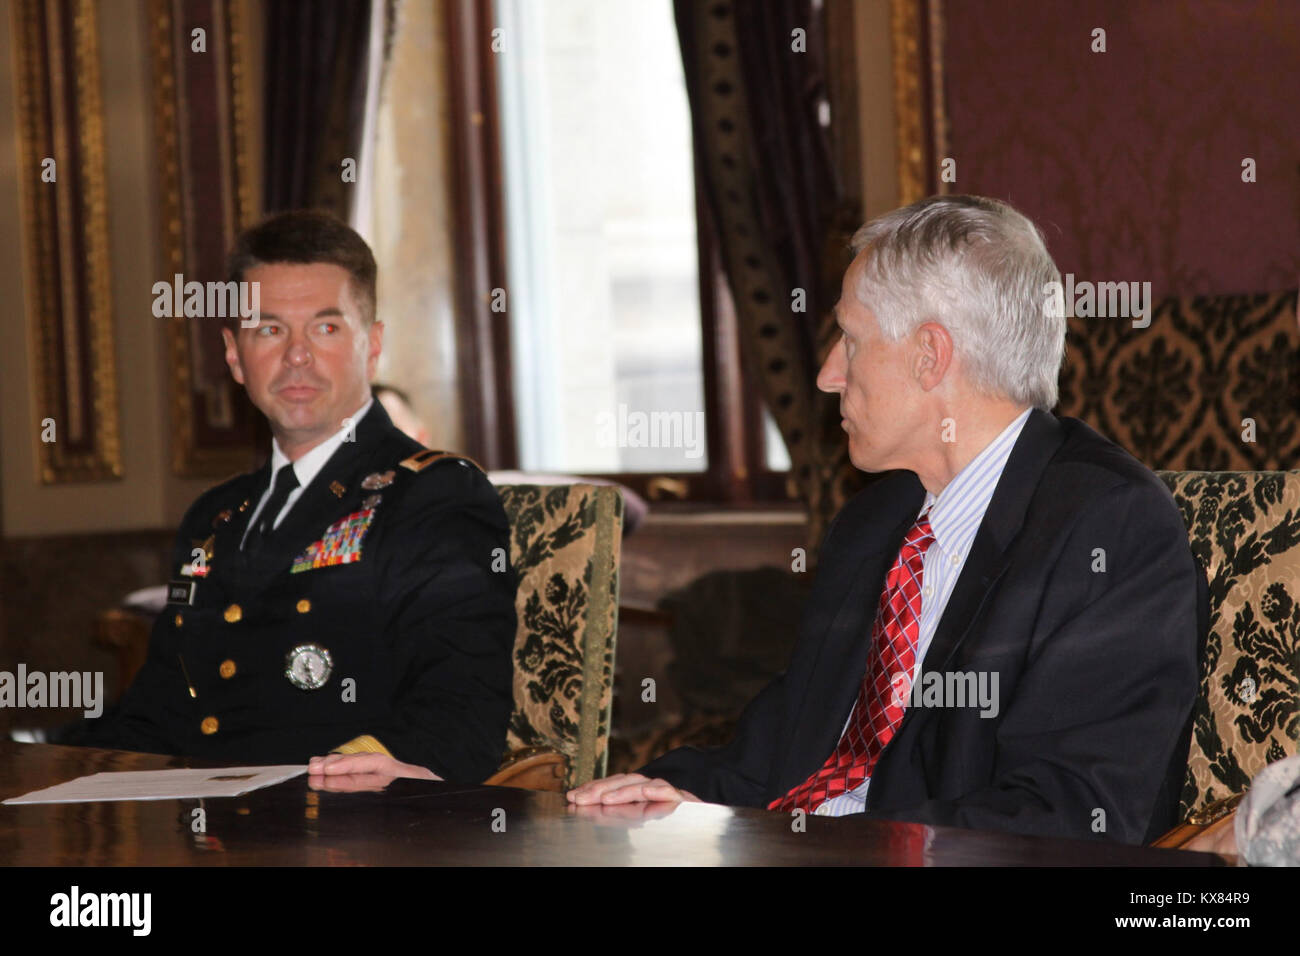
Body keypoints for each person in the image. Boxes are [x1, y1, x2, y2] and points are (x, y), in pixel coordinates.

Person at [569, 195, 1202, 845]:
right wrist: (674, 792)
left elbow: (1068, 815)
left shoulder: (1111, 530)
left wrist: (825, 848)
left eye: (849, 339)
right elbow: (777, 754)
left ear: (930, 355)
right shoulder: (877, 521)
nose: (825, 376)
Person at [78, 210, 516, 785]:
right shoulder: (214, 517)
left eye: (326, 328)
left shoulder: (435, 496)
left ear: (373, 345)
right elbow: (157, 714)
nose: (297, 356)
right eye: (270, 329)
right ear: (235, 355)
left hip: (343, 831)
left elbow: (459, 713)